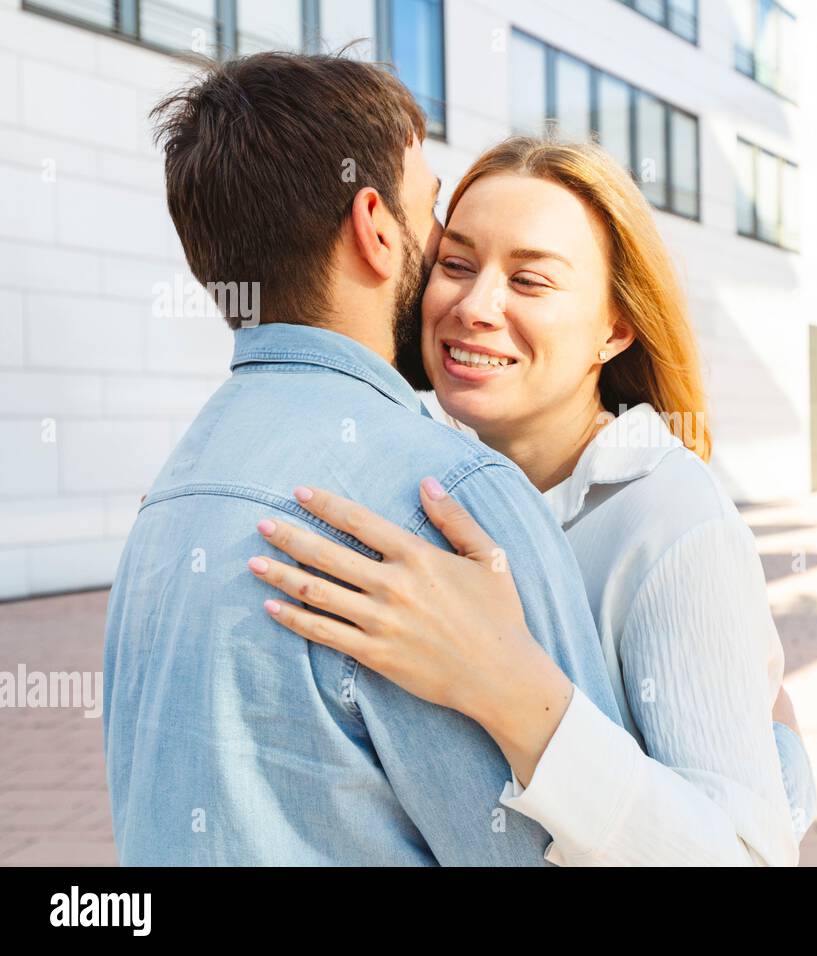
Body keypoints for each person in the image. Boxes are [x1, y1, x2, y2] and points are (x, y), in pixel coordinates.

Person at [102, 53, 620, 865]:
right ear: (377, 228)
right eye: (432, 206)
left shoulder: (166, 504)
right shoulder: (450, 496)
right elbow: (578, 847)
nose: (444, 240)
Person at [247, 137, 817, 866]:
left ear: (614, 327)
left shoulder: (671, 520)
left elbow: (745, 857)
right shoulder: (427, 483)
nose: (476, 306)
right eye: (455, 264)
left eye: (531, 281)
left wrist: (510, 688)